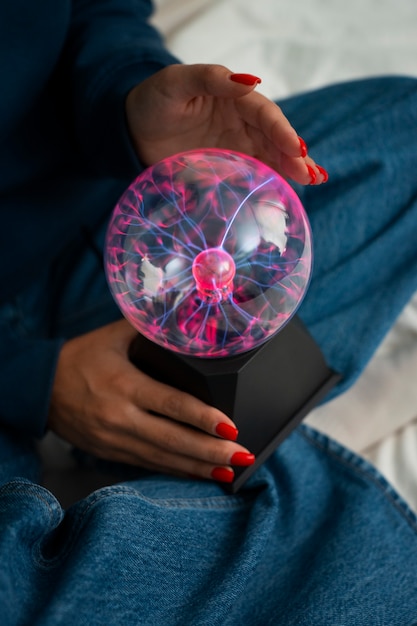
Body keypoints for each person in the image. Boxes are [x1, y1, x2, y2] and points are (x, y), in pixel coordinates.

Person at [1, 1, 417, 624]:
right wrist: (31, 380)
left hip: (119, 238)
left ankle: (156, 461)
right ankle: (177, 478)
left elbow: (98, 11)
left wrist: (128, 99)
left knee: (405, 127)